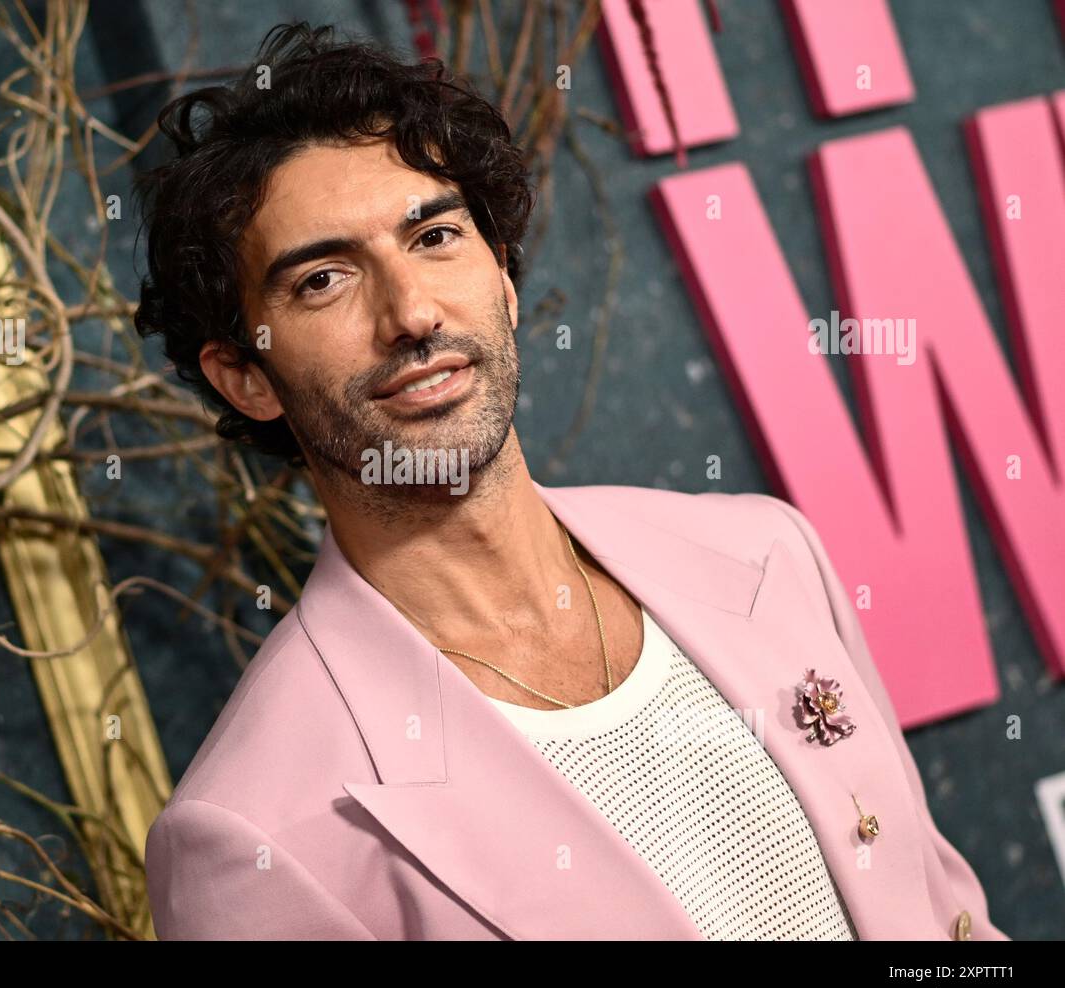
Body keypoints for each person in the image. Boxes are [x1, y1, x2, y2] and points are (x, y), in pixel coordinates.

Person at [133, 21, 1006, 941]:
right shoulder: (252, 833)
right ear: (246, 377)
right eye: (322, 280)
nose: (412, 313)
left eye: (435, 235)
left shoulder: (764, 552)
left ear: (505, 281)